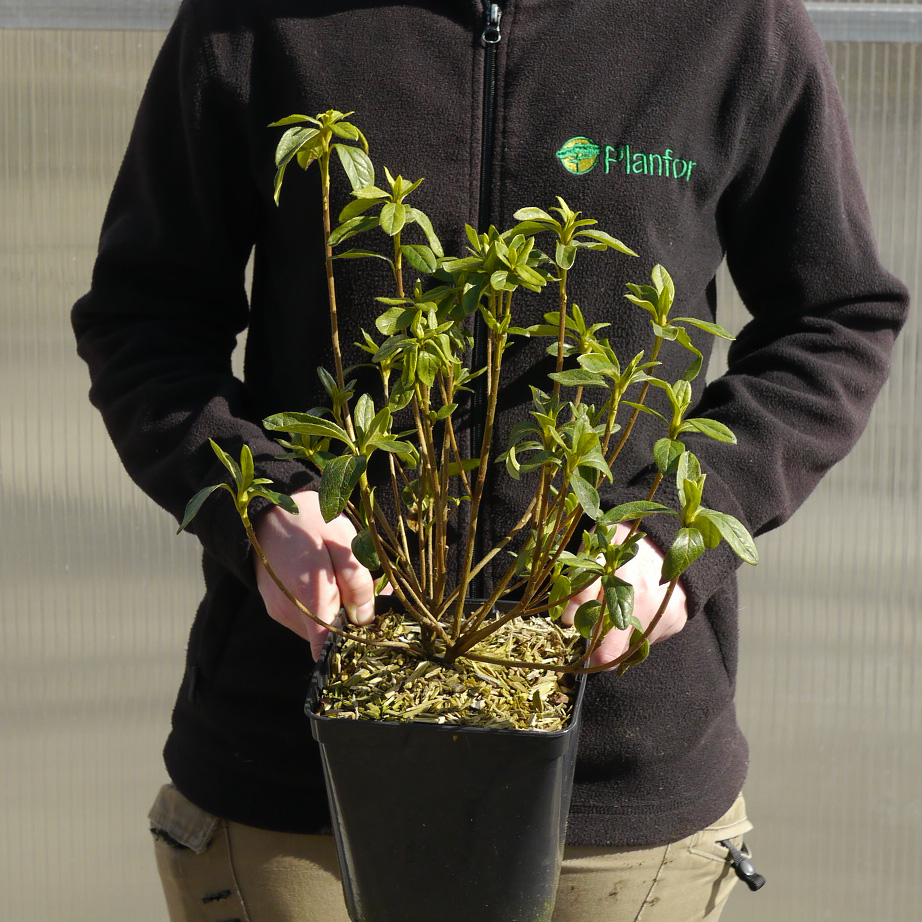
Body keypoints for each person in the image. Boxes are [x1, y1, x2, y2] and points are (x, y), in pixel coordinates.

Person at [72, 1, 909, 919]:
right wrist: (262, 507)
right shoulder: (256, 16)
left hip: (619, 785)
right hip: (294, 769)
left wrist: (671, 534)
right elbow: (144, 320)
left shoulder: (732, 20)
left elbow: (837, 317)